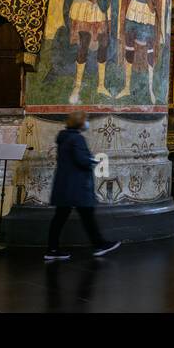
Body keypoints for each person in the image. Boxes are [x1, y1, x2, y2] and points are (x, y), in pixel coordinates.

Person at [43, 112, 120, 261]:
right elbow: (81, 160)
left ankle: (52, 249)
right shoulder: (77, 138)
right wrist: (93, 160)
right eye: (86, 120)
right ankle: (99, 245)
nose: (87, 123)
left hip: (65, 184)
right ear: (80, 123)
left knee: (61, 217)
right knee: (86, 215)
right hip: (76, 185)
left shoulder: (63, 137)